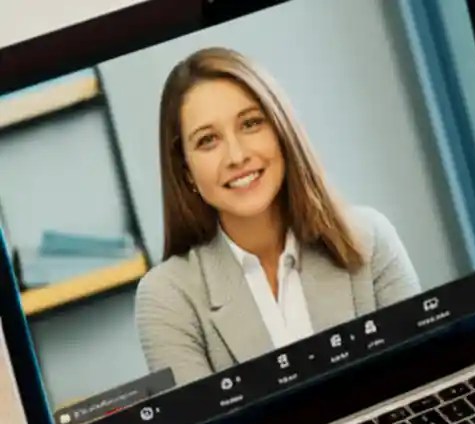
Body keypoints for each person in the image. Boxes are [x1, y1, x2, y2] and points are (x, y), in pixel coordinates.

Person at [135, 47, 421, 386]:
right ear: (186, 172)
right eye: (208, 141)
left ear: (281, 130)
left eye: (251, 123)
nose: (237, 156)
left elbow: (423, 374)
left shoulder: (369, 238)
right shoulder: (167, 298)